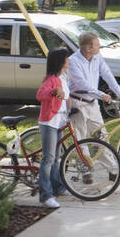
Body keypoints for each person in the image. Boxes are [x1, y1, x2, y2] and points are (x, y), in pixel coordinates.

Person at [67, 30, 120, 173]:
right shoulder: (73, 61)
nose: (99, 47)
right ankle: (86, 170)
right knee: (81, 139)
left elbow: (107, 74)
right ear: (88, 48)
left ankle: (113, 170)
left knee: (101, 135)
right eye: (97, 45)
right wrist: (101, 94)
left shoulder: (97, 57)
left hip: (92, 103)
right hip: (77, 103)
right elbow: (82, 84)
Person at [35, 47, 70, 209]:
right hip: (49, 122)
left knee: (56, 158)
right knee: (48, 159)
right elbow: (40, 94)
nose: (68, 60)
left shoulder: (63, 77)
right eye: (66, 58)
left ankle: (58, 187)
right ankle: (45, 195)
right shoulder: (51, 79)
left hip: (59, 121)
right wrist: (53, 91)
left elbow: (66, 97)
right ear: (60, 61)